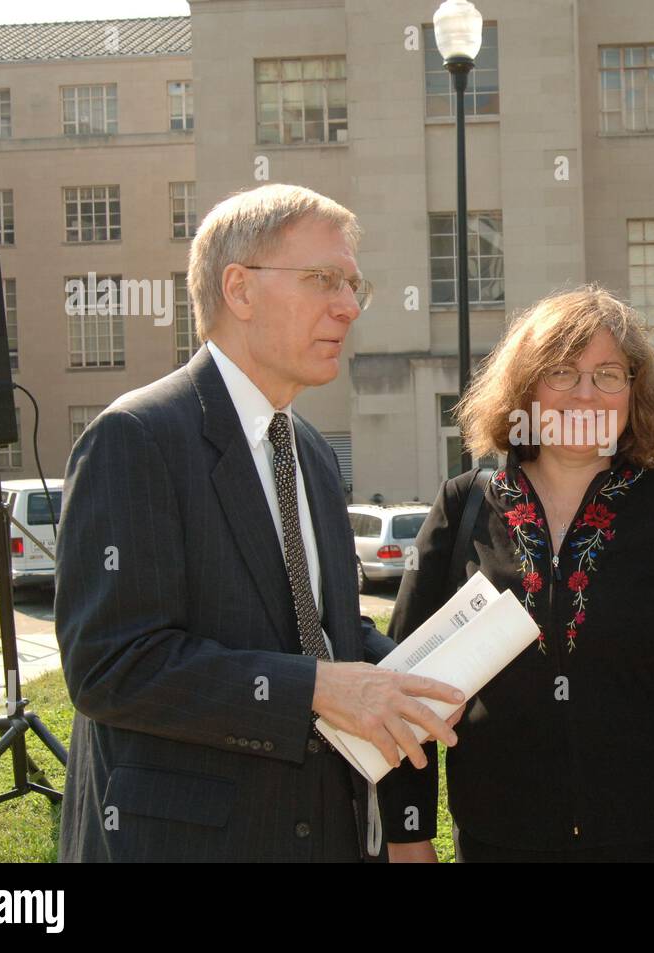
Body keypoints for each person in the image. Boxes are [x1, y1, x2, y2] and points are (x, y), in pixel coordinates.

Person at [55, 184, 464, 861]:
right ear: (239, 290)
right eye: (325, 279)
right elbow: (111, 666)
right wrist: (317, 689)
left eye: (355, 284)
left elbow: (323, 627)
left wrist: (412, 677)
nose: (349, 305)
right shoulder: (135, 438)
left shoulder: (312, 451)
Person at [385, 286, 654, 863]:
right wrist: (407, 833)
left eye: (608, 375)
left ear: (634, 391)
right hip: (500, 837)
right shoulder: (465, 505)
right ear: (525, 388)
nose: (585, 394)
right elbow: (407, 683)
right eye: (562, 372)